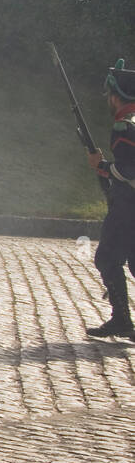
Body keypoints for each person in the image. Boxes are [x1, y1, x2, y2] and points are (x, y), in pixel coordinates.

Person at [85, 58, 135, 338]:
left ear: (116, 96)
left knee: (107, 258)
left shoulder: (123, 127)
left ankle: (122, 320)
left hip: (129, 206)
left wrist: (101, 166)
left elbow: (128, 169)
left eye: (109, 95)